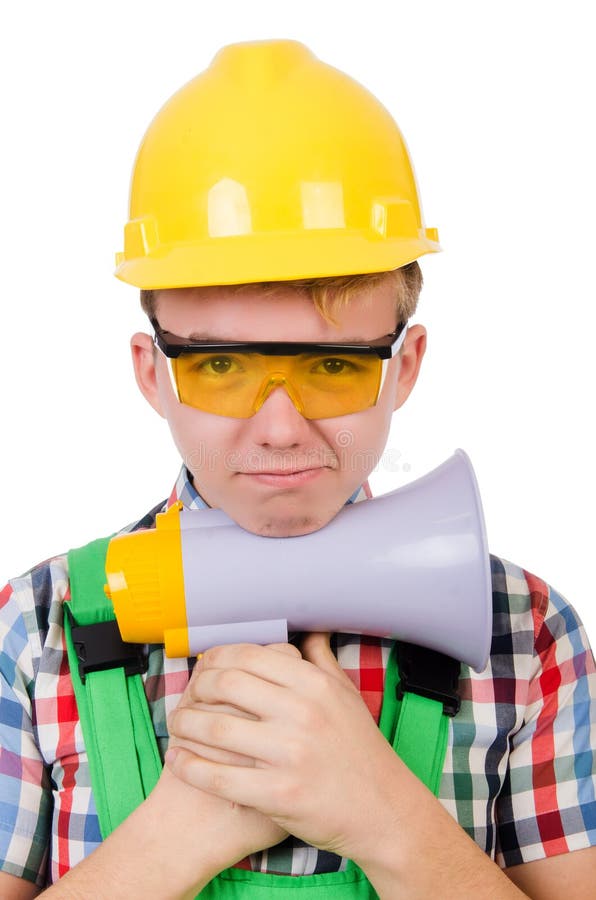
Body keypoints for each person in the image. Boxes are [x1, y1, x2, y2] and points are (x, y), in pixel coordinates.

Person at [1, 38, 595, 899]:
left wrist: (383, 811)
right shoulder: (34, 632)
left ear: (406, 364)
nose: (280, 429)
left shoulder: (528, 637)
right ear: (148, 373)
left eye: (332, 366)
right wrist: (179, 834)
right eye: (221, 367)